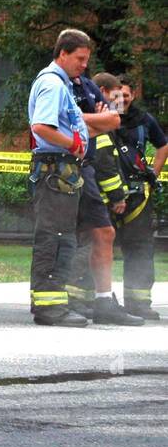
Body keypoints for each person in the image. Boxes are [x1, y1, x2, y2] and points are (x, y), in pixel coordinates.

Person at [26, 29, 119, 327]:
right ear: (63, 53)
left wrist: (80, 135)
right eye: (79, 59)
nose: (84, 65)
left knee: (63, 238)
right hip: (55, 169)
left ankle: (54, 303)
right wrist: (75, 145)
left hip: (63, 172)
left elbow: (81, 127)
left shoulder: (64, 84)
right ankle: (48, 306)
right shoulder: (53, 85)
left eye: (86, 60)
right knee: (53, 238)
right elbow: (41, 126)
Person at [64, 70, 141, 325]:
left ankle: (91, 299)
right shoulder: (100, 119)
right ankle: (79, 299)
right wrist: (117, 196)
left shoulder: (99, 118)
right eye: (116, 97)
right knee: (91, 241)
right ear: (105, 93)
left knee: (91, 240)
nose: (119, 105)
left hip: (85, 187)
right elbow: (106, 165)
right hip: (90, 190)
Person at [102, 75, 163, 321]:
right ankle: (96, 299)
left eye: (126, 94)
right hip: (106, 192)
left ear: (133, 95)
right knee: (98, 243)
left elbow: (163, 145)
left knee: (139, 248)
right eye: (118, 94)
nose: (122, 98)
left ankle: (138, 303)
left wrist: (153, 175)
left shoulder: (144, 120)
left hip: (138, 196)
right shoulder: (102, 117)